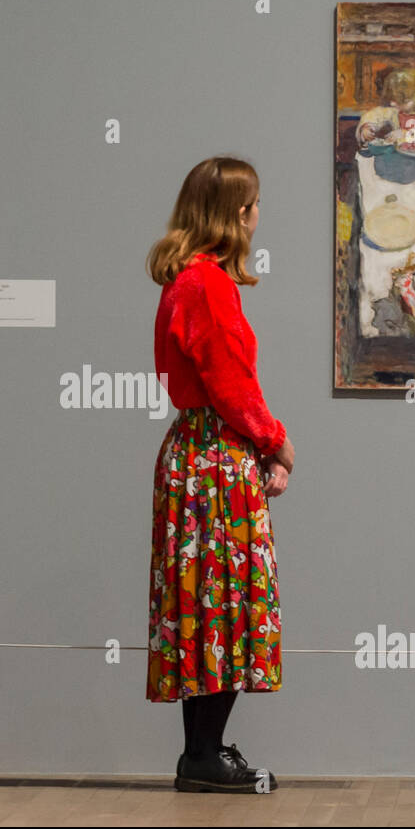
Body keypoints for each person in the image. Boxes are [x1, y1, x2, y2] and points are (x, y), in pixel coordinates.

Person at [144, 156, 295, 793]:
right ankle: (203, 754)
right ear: (237, 212)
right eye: (255, 204)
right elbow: (232, 383)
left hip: (194, 452)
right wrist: (276, 443)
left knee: (204, 604)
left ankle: (201, 752)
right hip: (216, 458)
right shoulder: (208, 286)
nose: (260, 216)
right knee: (230, 602)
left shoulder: (187, 281)